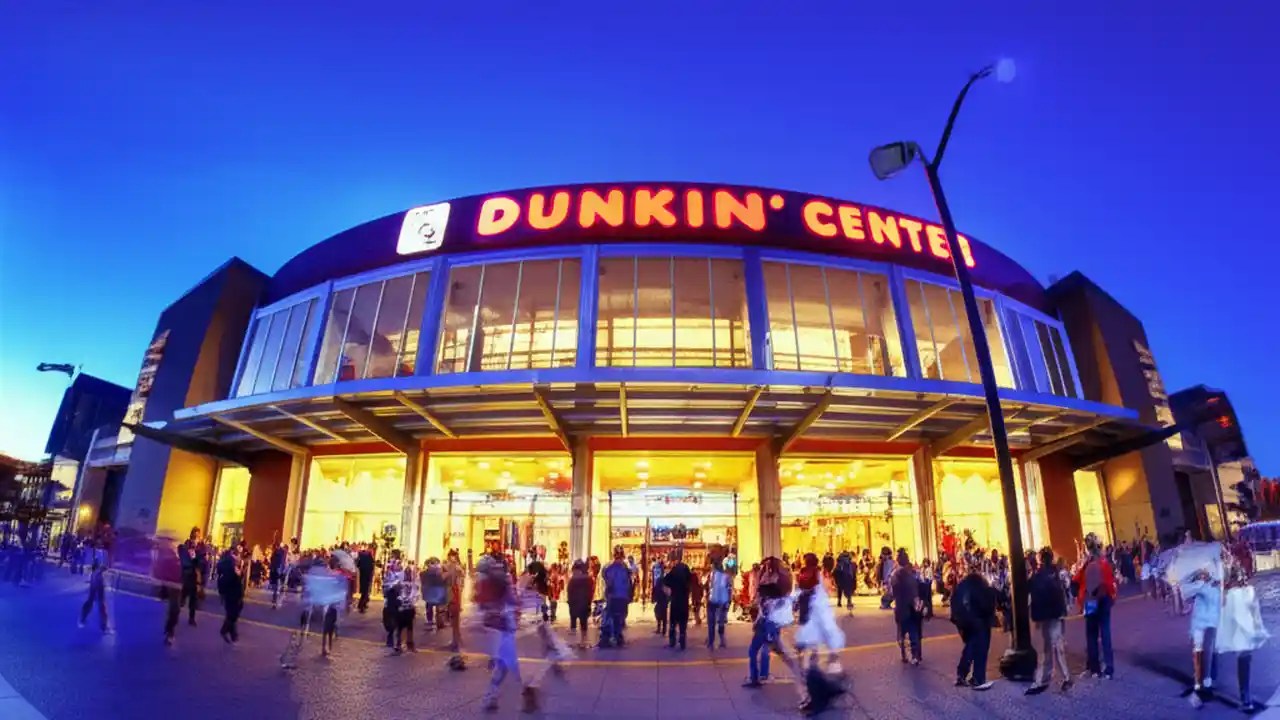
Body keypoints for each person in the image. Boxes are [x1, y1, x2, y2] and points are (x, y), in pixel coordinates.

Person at [743, 558, 808, 709]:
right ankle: (761, 676)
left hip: (768, 625)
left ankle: (757, 677)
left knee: (767, 651)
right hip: (769, 624)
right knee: (773, 651)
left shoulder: (772, 587)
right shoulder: (779, 587)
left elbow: (765, 606)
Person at [477, 554, 536, 713]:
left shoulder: (491, 580)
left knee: (507, 664)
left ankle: (496, 696)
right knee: (508, 665)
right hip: (501, 628)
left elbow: (484, 605)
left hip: (498, 628)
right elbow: (511, 601)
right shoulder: (499, 579)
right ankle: (526, 692)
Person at [1216, 547, 1269, 713]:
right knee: (1243, 656)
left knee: (1244, 656)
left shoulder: (1234, 569)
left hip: (1240, 607)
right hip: (1236, 610)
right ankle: (1245, 697)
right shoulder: (1225, 570)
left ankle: (1245, 697)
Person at [1025, 547, 1071, 695]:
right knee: (1057, 647)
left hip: (1046, 616)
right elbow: (1063, 593)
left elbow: (1031, 594)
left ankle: (1044, 679)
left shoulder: (1039, 576)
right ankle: (1064, 676)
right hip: (1055, 615)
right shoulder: (1056, 573)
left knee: (1047, 649)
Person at [1074, 532, 1117, 679]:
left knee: (1091, 634)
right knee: (1105, 633)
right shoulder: (1104, 562)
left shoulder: (1087, 564)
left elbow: (1077, 580)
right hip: (1104, 599)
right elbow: (1110, 581)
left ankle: (1094, 669)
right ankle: (1109, 669)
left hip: (1091, 600)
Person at [951, 562, 997, 690]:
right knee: (981, 648)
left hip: (964, 621)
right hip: (978, 621)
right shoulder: (980, 585)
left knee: (970, 646)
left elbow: (954, 602)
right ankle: (978, 678)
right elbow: (986, 603)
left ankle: (962, 673)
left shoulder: (962, 585)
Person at [890, 549, 923, 665]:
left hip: (901, 606)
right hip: (913, 605)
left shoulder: (895, 575)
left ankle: (904, 654)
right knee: (914, 630)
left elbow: (892, 591)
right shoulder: (913, 573)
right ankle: (915, 655)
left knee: (902, 632)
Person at [600, 547, 632, 647]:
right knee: (619, 616)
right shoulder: (625, 568)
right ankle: (617, 636)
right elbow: (628, 583)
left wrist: (608, 591)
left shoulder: (609, 568)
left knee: (610, 615)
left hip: (613, 596)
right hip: (622, 596)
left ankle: (609, 635)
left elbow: (606, 578)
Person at [662, 549, 692, 650]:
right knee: (683, 623)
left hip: (675, 600)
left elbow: (665, 581)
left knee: (673, 622)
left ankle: (672, 640)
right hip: (684, 600)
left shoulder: (674, 570)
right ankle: (682, 639)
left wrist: (668, 591)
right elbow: (690, 581)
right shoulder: (686, 569)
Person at [77, 543, 111, 633]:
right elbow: (90, 566)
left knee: (100, 603)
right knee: (91, 601)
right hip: (95, 578)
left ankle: (103, 626)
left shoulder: (104, 553)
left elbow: (106, 567)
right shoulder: (94, 553)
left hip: (99, 579)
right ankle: (83, 619)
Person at [176, 528, 205, 629]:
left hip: (195, 577)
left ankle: (191, 618)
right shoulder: (185, 546)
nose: (195, 539)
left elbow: (202, 563)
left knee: (193, 599)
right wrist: (191, 555)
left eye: (197, 536)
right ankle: (175, 614)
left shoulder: (201, 549)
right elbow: (183, 558)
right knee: (182, 597)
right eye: (194, 536)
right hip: (187, 575)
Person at [216, 546, 245, 644]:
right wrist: (239, 574)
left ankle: (233, 635)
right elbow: (236, 577)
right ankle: (225, 631)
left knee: (231, 612)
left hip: (227, 591)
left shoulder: (224, 562)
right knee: (233, 613)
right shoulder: (232, 564)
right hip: (233, 592)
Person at [706, 557, 731, 649]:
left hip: (713, 600)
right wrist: (728, 601)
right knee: (721, 622)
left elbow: (709, 587)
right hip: (723, 601)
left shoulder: (712, 575)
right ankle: (722, 640)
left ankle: (711, 641)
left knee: (711, 623)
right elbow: (729, 589)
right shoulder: (726, 576)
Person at [443, 549, 465, 652]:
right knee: (453, 620)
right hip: (451, 594)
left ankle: (456, 642)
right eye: (451, 556)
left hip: (455, 594)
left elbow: (461, 577)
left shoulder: (456, 567)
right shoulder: (449, 567)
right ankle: (455, 640)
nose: (452, 559)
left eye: (453, 556)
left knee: (455, 620)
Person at [567, 560, 594, 647]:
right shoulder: (588, 579)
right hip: (583, 603)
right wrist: (589, 602)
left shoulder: (573, 579)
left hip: (575, 603)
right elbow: (590, 592)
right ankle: (583, 641)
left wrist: (570, 601)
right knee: (583, 622)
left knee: (574, 622)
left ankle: (574, 641)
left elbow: (569, 591)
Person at [421, 557, 447, 632]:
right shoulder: (426, 573)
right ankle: (435, 622)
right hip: (433, 592)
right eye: (432, 563)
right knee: (433, 608)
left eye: (435, 563)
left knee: (434, 608)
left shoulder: (426, 573)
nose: (434, 565)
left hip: (434, 592)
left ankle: (435, 622)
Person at [651, 556, 668, 636]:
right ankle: (662, 629)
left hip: (662, 599)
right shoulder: (662, 579)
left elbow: (657, 588)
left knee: (660, 613)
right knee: (660, 613)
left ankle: (661, 629)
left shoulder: (662, 580)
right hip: (662, 599)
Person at [269, 541, 288, 609]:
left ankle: (274, 601)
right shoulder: (283, 553)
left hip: (275, 571)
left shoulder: (276, 553)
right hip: (279, 571)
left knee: (275, 587)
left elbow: (272, 561)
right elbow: (283, 563)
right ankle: (275, 601)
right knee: (277, 587)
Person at [356, 544, 375, 613]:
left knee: (364, 591)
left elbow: (358, 564)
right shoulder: (369, 556)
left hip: (363, 575)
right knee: (365, 591)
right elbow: (372, 566)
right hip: (366, 576)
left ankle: (362, 604)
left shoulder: (362, 555)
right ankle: (361, 606)